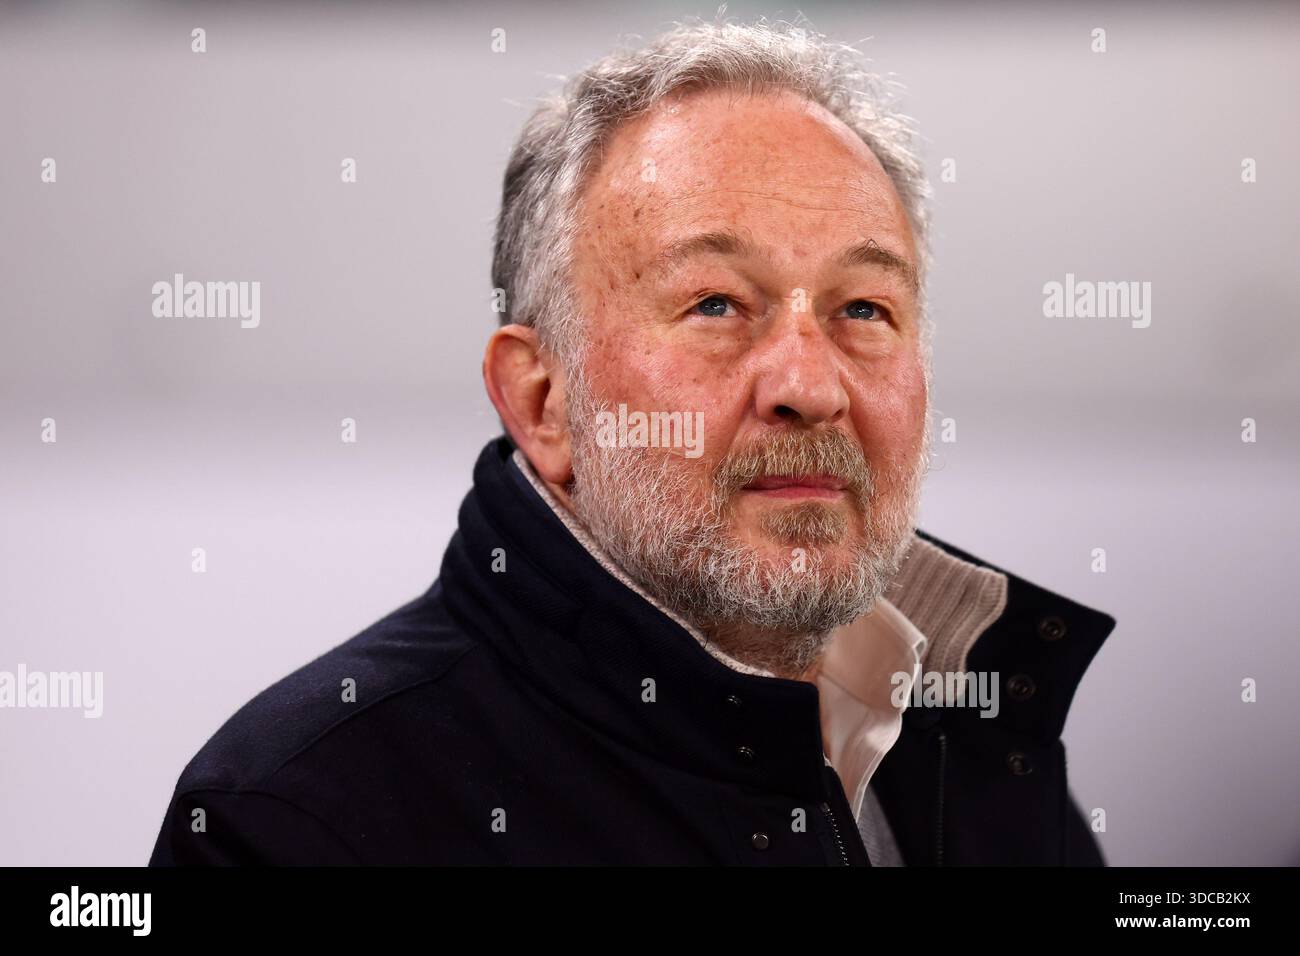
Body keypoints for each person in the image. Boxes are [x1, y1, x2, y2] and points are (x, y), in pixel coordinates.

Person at [149, 19, 1115, 866]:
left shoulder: (977, 746)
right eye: (714, 304)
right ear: (542, 400)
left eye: (863, 307)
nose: (811, 386)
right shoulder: (299, 824)